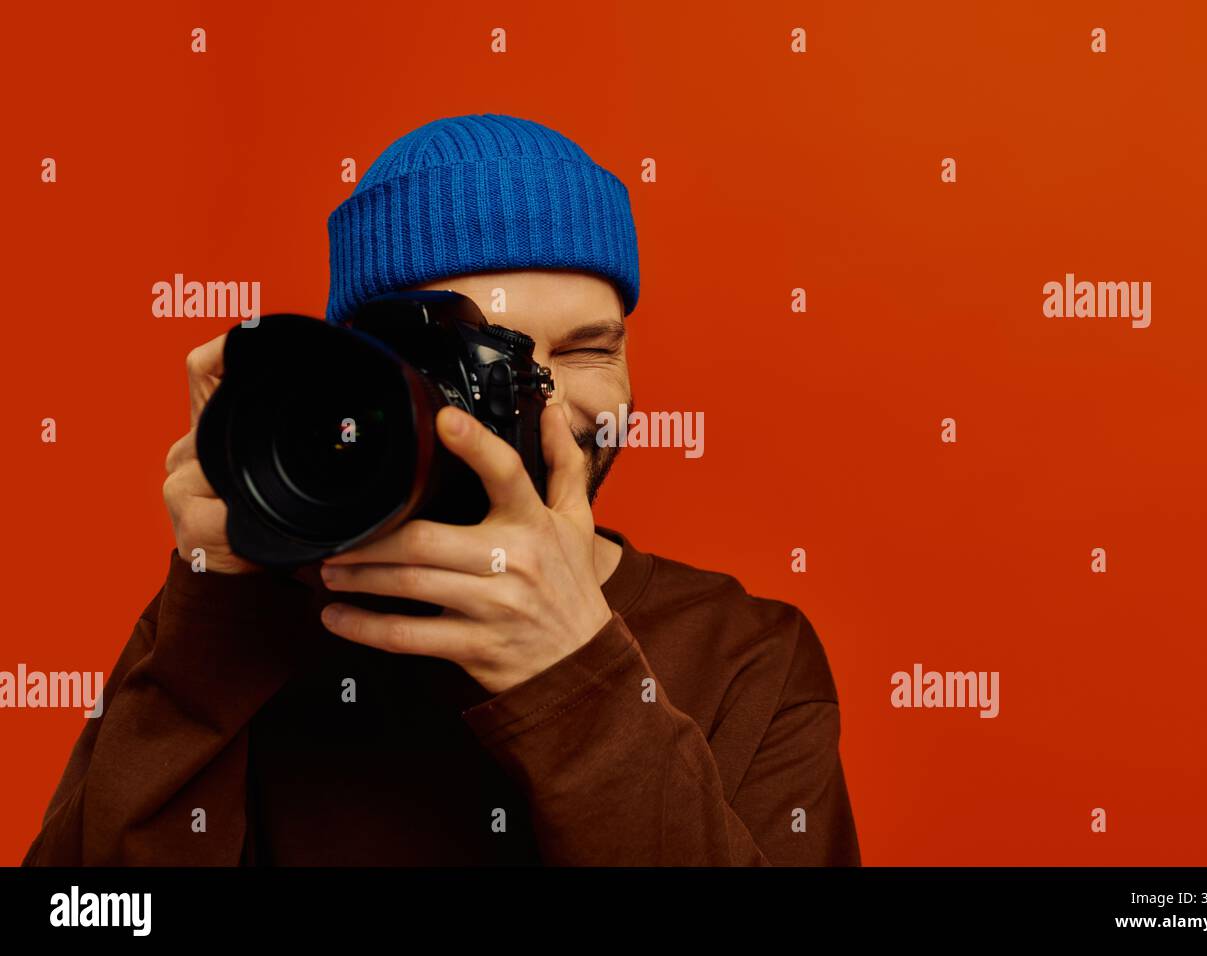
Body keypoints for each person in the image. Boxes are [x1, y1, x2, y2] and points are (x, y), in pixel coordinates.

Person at [22, 113, 860, 866]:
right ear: (372, 381)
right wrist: (214, 617)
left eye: (586, 350)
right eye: (485, 361)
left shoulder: (747, 653)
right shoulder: (235, 619)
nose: (547, 405)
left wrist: (576, 671)